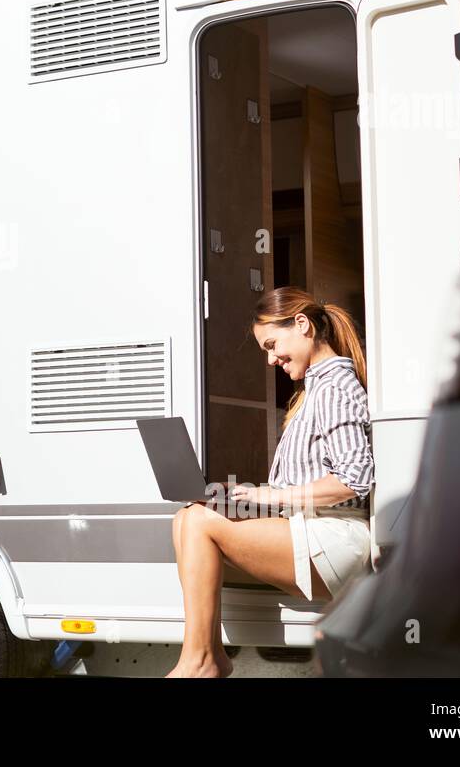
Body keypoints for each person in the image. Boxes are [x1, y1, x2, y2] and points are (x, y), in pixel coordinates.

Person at [166, 286, 374, 678]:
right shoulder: (313, 391)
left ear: (302, 325)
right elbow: (306, 482)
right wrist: (245, 495)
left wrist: (272, 494)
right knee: (187, 515)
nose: (270, 358)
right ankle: (208, 655)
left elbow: (354, 479)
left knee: (196, 521)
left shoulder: (335, 387)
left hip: (335, 537)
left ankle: (200, 662)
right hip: (311, 527)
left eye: (272, 344)